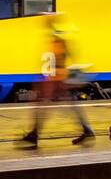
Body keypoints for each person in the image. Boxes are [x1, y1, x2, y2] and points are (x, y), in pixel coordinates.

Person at [20, 13, 93, 147]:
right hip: (56, 77)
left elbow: (58, 59)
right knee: (66, 106)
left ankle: (34, 135)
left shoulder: (57, 38)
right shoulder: (56, 36)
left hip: (56, 79)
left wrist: (50, 79)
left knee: (42, 106)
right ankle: (87, 130)